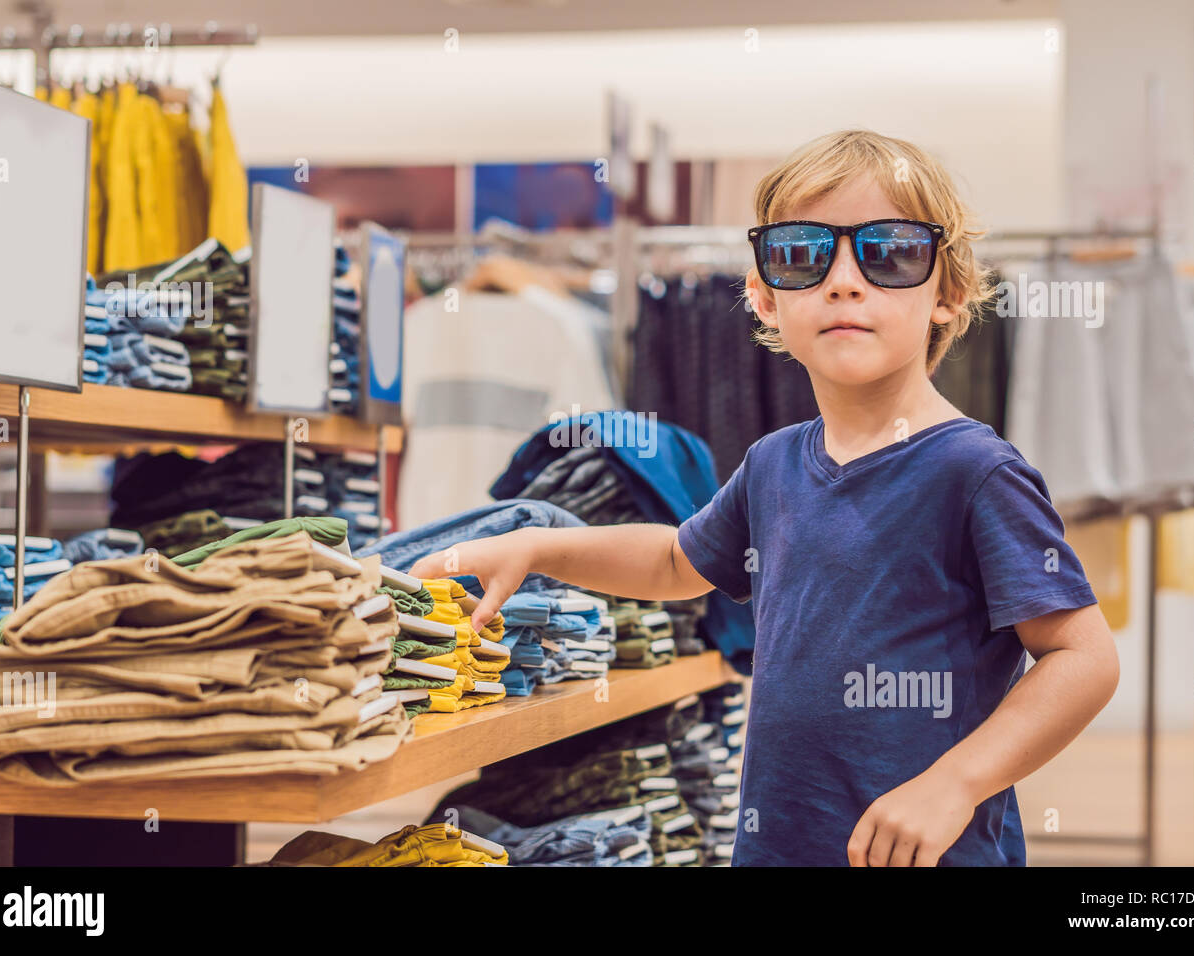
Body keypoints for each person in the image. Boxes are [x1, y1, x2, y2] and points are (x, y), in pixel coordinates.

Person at [409, 129, 1119, 867]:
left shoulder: (974, 472)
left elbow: (1083, 658)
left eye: (891, 251)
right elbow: (673, 564)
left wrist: (956, 783)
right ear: (764, 297)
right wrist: (539, 546)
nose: (844, 280)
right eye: (802, 252)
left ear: (950, 292)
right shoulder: (775, 462)